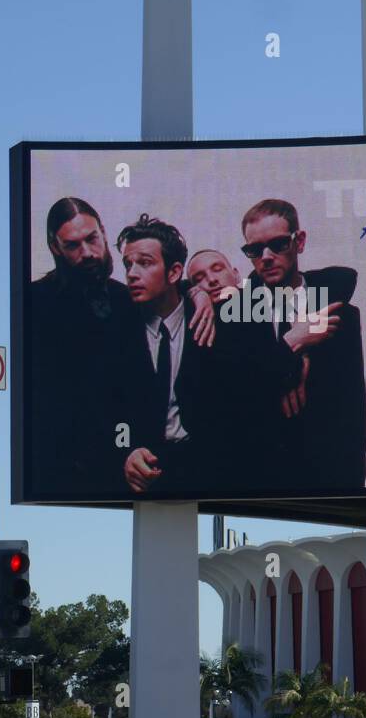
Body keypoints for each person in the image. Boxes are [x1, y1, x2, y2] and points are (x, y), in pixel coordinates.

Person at [25, 198, 214, 499]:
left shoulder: (128, 299)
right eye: (73, 245)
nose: (87, 253)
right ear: (55, 248)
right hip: (71, 473)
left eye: (92, 239)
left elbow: (167, 281)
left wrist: (197, 292)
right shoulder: (33, 302)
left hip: (160, 470)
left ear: (102, 231)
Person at [184, 248, 344, 494]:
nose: (211, 280)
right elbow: (245, 387)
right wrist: (293, 342)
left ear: (237, 275)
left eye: (217, 269)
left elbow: (341, 277)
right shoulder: (201, 331)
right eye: (199, 278)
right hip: (238, 471)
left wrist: (303, 354)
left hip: (296, 463)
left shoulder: (265, 303)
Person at [240, 198, 366, 491]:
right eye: (255, 249)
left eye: (278, 244)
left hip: (330, 478)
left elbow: (351, 409)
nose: (267, 256)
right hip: (261, 481)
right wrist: (294, 347)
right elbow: (240, 391)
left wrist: (352, 487)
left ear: (300, 241)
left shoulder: (340, 312)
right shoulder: (235, 315)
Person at [116, 215, 223, 496]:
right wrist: (125, 451)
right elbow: (106, 410)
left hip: (206, 476)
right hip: (142, 478)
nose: (131, 273)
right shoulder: (117, 326)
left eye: (145, 263)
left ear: (174, 273)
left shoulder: (210, 321)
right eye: (128, 264)